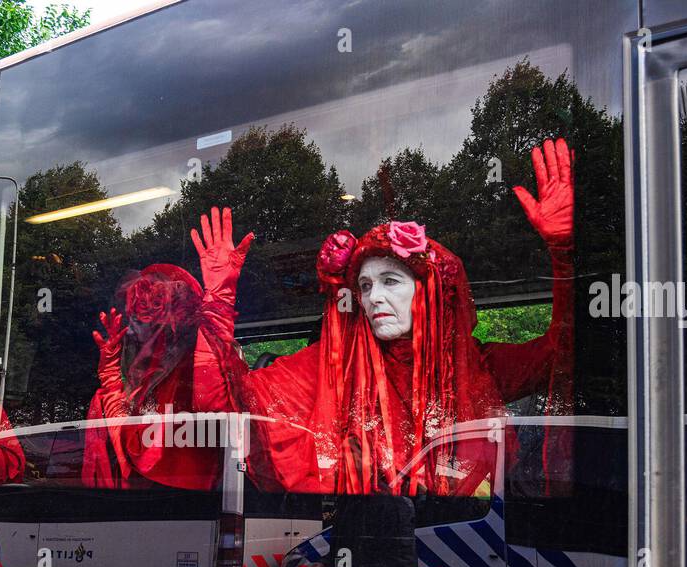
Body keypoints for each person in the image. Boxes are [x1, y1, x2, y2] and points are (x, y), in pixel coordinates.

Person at [190, 138, 576, 497]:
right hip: (369, 559)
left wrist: (565, 253)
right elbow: (222, 409)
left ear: (428, 289)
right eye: (366, 285)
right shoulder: (334, 370)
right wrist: (219, 296)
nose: (374, 297)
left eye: (390, 281)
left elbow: (563, 354)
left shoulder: (476, 366)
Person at [84, 264, 222, 490]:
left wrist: (109, 381)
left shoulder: (185, 378)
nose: (129, 331)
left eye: (138, 320)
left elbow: (137, 453)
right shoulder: (158, 375)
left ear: (165, 325)